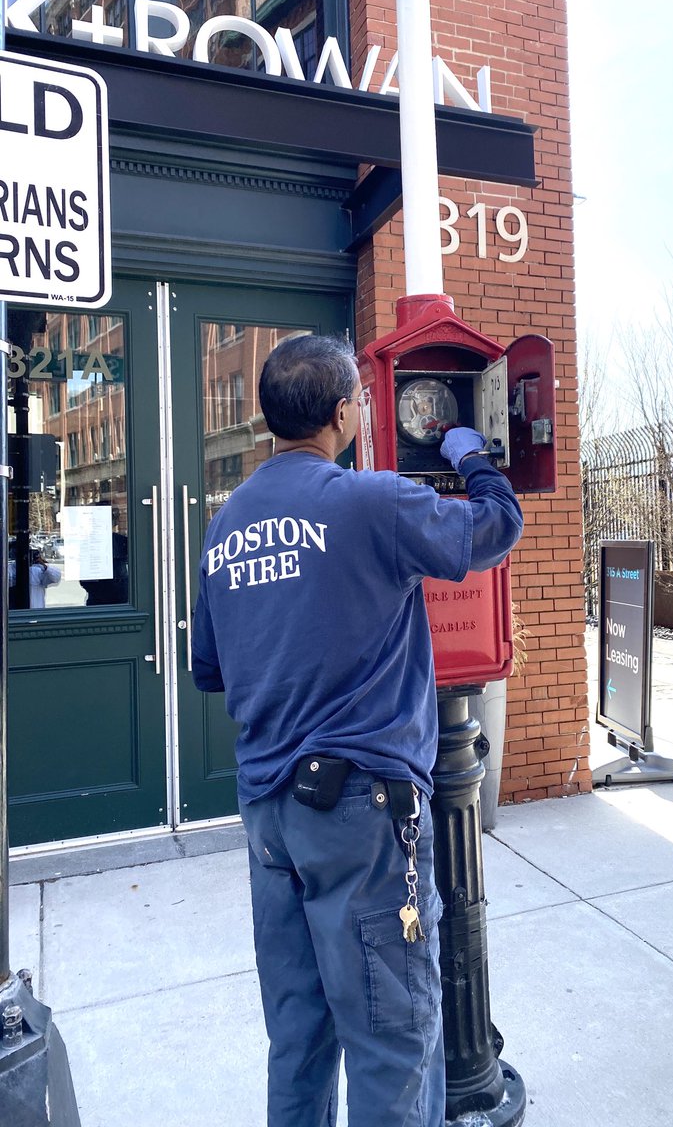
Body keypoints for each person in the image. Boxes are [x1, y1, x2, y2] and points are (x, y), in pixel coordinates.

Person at [191, 335, 523, 1127]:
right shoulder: (371, 500)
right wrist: (470, 454)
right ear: (344, 413)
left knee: (298, 1035)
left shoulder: (225, 525)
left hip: (269, 814)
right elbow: (494, 527)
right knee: (392, 1038)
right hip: (361, 815)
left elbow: (212, 669)